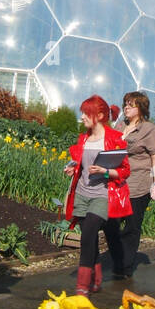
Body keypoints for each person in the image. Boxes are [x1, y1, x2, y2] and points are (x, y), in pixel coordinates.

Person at [61, 95, 132, 295]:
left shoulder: (114, 139)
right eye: (82, 112)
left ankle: (82, 286)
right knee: (88, 237)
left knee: (89, 233)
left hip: (102, 195)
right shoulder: (83, 138)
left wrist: (105, 172)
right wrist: (72, 168)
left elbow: (125, 171)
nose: (82, 116)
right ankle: (96, 278)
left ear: (99, 115)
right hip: (82, 194)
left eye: (86, 113)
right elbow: (80, 164)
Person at [113, 91, 155, 279]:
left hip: (138, 183)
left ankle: (125, 268)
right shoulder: (119, 125)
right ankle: (117, 259)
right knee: (112, 223)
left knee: (132, 226)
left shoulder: (149, 129)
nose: (126, 107)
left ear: (141, 108)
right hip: (117, 182)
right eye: (125, 103)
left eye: (131, 104)